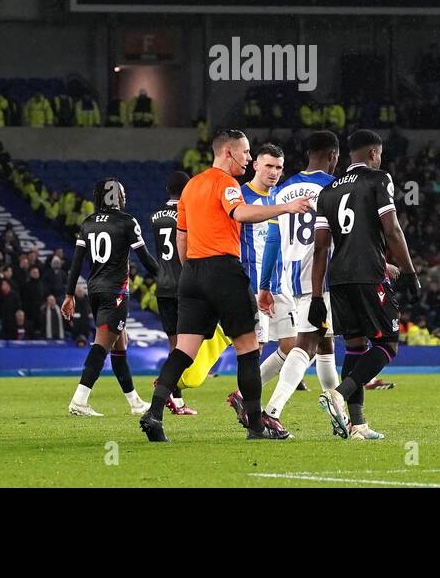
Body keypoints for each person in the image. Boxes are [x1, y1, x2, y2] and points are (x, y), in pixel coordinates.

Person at [138, 128, 314, 442]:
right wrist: (285, 207)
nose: (249, 158)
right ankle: (257, 427)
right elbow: (241, 212)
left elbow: (182, 236)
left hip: (191, 272)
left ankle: (154, 413)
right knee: (248, 351)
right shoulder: (226, 184)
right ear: (228, 152)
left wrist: (191, 270)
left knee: (183, 351)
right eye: (246, 152)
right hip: (224, 271)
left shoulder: (191, 186)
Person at [310, 129, 420, 440]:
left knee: (356, 347)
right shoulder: (378, 179)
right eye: (380, 154)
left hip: (339, 278)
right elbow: (393, 229)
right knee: (388, 344)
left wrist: (318, 295)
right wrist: (411, 273)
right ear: (373, 154)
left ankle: (357, 425)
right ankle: (338, 394)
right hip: (369, 274)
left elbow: (321, 247)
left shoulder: (328, 191)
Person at [257, 130, 343, 426]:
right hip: (322, 278)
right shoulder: (334, 188)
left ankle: (339, 414)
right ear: (333, 156)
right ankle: (272, 411)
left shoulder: (281, 191)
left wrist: (264, 285)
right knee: (306, 344)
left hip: (290, 280)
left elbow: (272, 240)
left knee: (325, 343)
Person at [61, 179, 160, 417]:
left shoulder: (87, 223)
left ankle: (135, 402)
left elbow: (75, 264)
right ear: (118, 197)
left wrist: (69, 294)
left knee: (119, 344)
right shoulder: (127, 222)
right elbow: (145, 259)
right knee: (102, 345)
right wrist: (168, 278)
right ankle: (79, 400)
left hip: (94, 290)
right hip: (115, 292)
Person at [224, 142, 285, 425]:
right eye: (269, 166)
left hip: (281, 284)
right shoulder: (241, 197)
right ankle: (254, 412)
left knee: (292, 344)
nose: (274, 172)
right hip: (252, 283)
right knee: (255, 348)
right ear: (256, 165)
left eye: (279, 167)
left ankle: (241, 395)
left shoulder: (281, 198)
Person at [150, 171, 195, 415]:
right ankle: (170, 393)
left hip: (163, 284)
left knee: (174, 344)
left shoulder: (155, 216)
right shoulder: (186, 214)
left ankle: (175, 400)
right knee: (186, 346)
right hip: (184, 284)